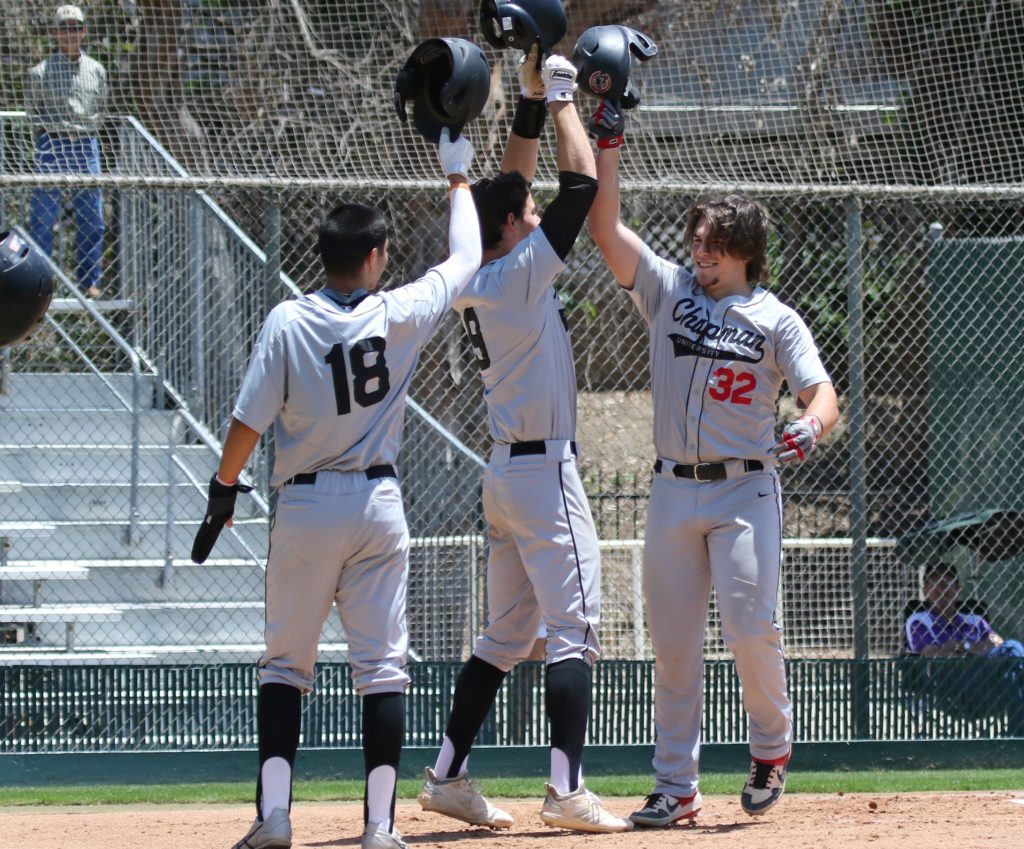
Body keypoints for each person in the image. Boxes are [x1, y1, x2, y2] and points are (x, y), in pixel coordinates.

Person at [189, 129, 480, 849]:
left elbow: (245, 423)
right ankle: (379, 827)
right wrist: (455, 174)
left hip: (307, 503)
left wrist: (223, 490)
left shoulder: (288, 319)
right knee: (381, 669)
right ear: (376, 257)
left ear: (321, 255)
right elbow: (468, 257)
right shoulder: (399, 311)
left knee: (287, 663)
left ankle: (276, 817)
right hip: (379, 503)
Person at [586, 102, 840, 826]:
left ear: (745, 251)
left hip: (744, 489)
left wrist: (810, 427)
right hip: (671, 490)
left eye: (713, 244)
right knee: (672, 646)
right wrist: (611, 142)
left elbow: (821, 392)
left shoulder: (775, 318)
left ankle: (770, 745)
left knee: (751, 627)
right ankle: (676, 785)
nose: (698, 251)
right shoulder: (668, 290)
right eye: (696, 239)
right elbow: (604, 229)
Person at [415, 50, 632, 834]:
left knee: (503, 636)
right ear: (511, 229)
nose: (535, 215)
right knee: (573, 627)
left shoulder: (479, 271)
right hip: (542, 475)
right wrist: (570, 99)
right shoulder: (522, 272)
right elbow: (580, 188)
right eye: (525, 214)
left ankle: (446, 775)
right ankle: (566, 788)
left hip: (505, 475)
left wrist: (532, 102)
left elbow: (518, 186)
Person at [25, 5, 108, 298]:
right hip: (52, 142)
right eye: (64, 28)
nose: (70, 33)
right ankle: (40, 281)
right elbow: (33, 114)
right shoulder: (39, 73)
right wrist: (50, 135)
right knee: (43, 217)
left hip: (86, 144)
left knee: (93, 217)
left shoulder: (97, 70)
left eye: (76, 27)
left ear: (84, 31)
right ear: (55, 33)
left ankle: (89, 281)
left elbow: (102, 108)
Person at [905, 564, 1024, 660]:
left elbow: (998, 640)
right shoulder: (919, 620)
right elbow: (929, 652)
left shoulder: (976, 620)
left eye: (948, 583)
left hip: (982, 671)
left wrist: (969, 646)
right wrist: (969, 657)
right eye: (935, 583)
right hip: (944, 676)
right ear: (925, 590)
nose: (941, 588)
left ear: (958, 589)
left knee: (1013, 646)